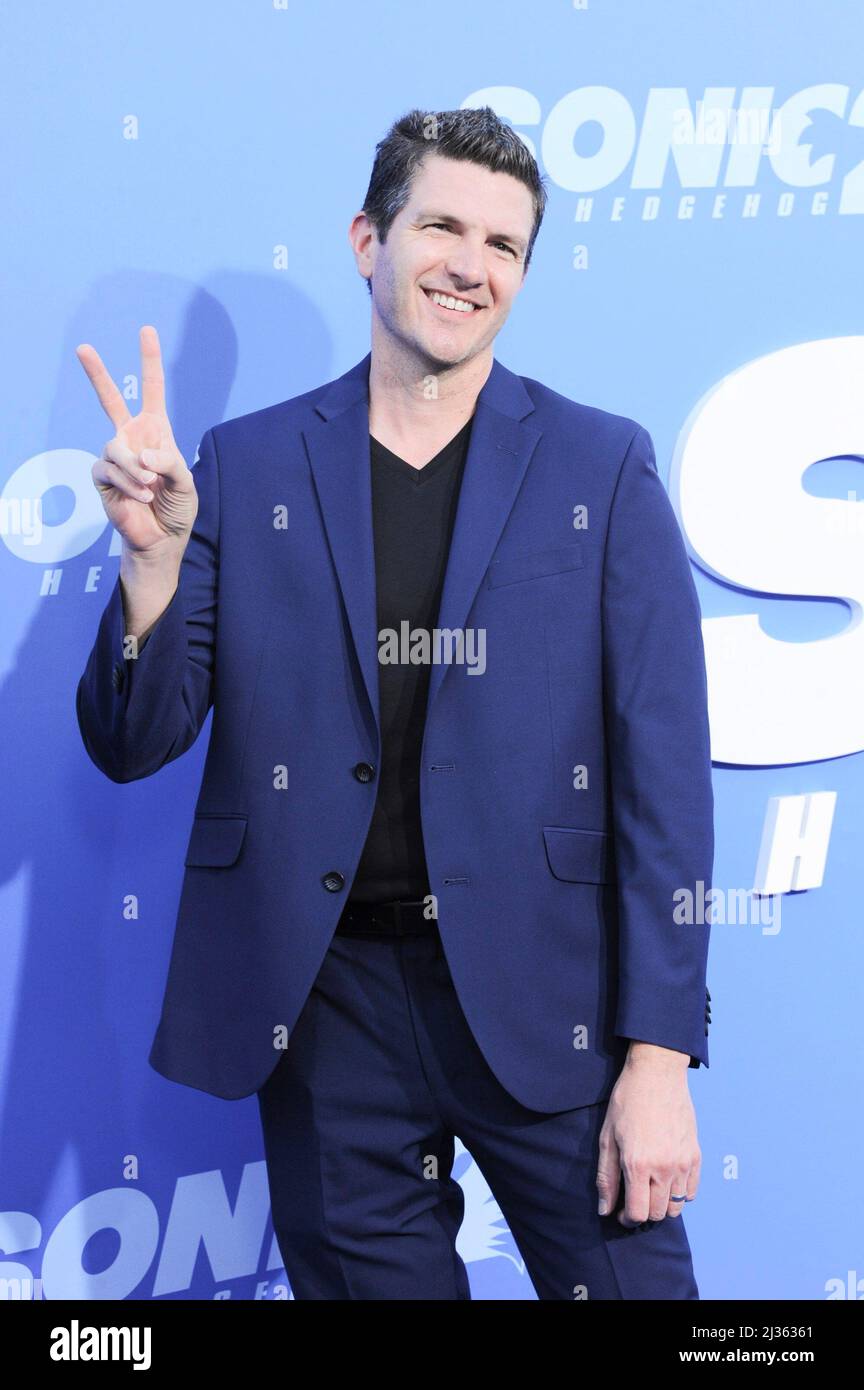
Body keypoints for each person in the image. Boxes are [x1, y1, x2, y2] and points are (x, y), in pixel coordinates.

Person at [75, 106, 714, 1300]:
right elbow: (132, 742)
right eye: (441, 226)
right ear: (368, 239)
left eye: (504, 245)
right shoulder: (248, 467)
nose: (471, 264)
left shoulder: (600, 467)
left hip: (551, 999)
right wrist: (152, 564)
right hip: (329, 1010)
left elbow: (665, 779)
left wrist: (660, 1055)